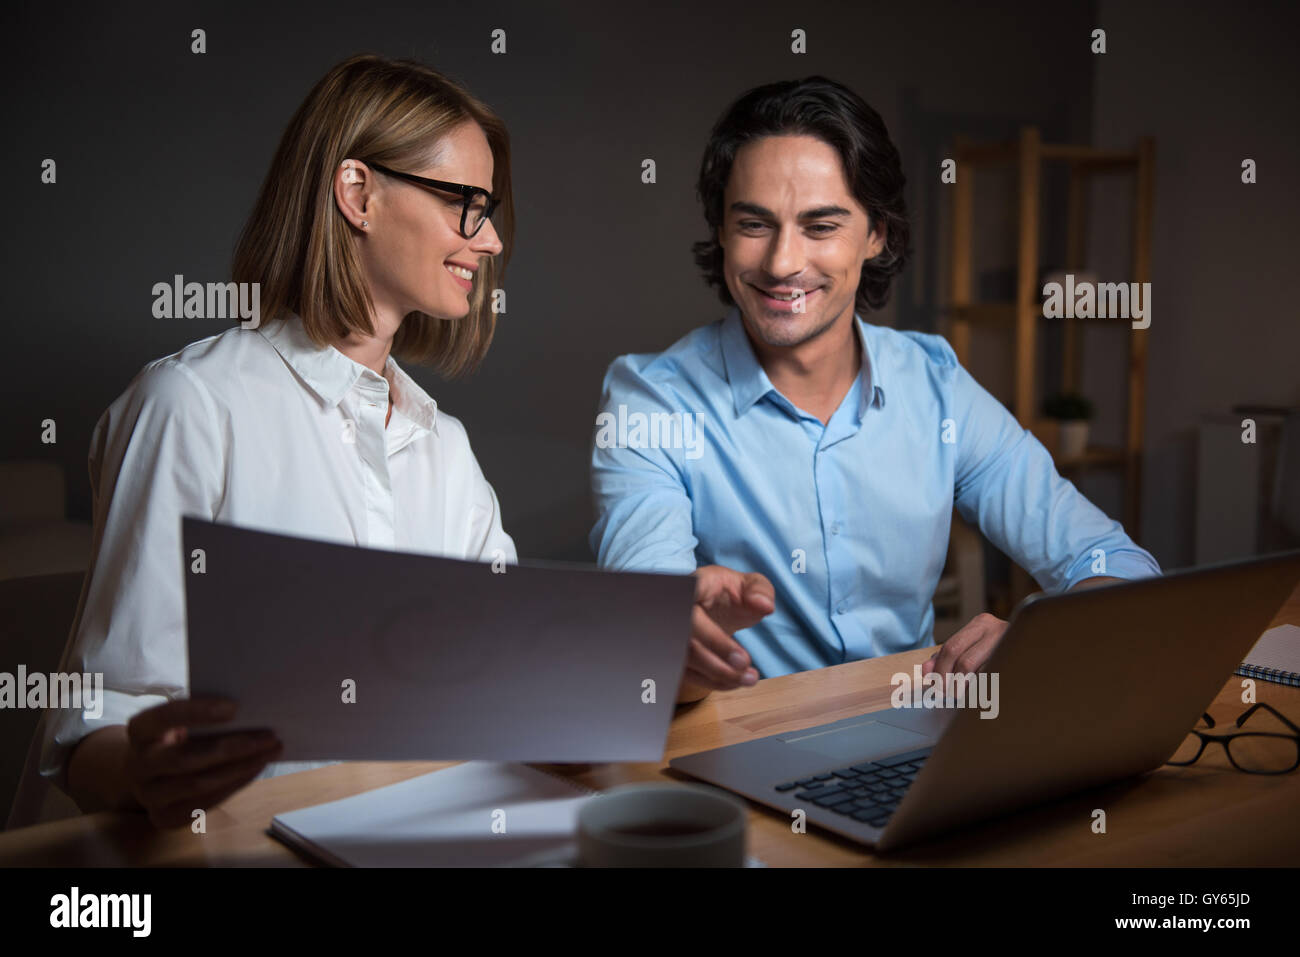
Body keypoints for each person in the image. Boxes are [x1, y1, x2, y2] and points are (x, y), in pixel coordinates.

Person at [36, 54, 516, 828]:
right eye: (466, 203)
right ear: (357, 193)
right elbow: (93, 728)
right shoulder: (191, 407)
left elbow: (507, 674)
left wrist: (655, 657)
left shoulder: (445, 447)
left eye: (489, 209)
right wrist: (147, 766)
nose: (488, 239)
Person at [589, 76, 1160, 704]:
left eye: (820, 225)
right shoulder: (652, 400)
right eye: (755, 223)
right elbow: (642, 625)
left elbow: (1117, 564)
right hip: (733, 754)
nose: (782, 262)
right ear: (722, 232)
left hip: (907, 752)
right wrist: (685, 647)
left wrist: (1038, 638)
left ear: (877, 233)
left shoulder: (935, 385)